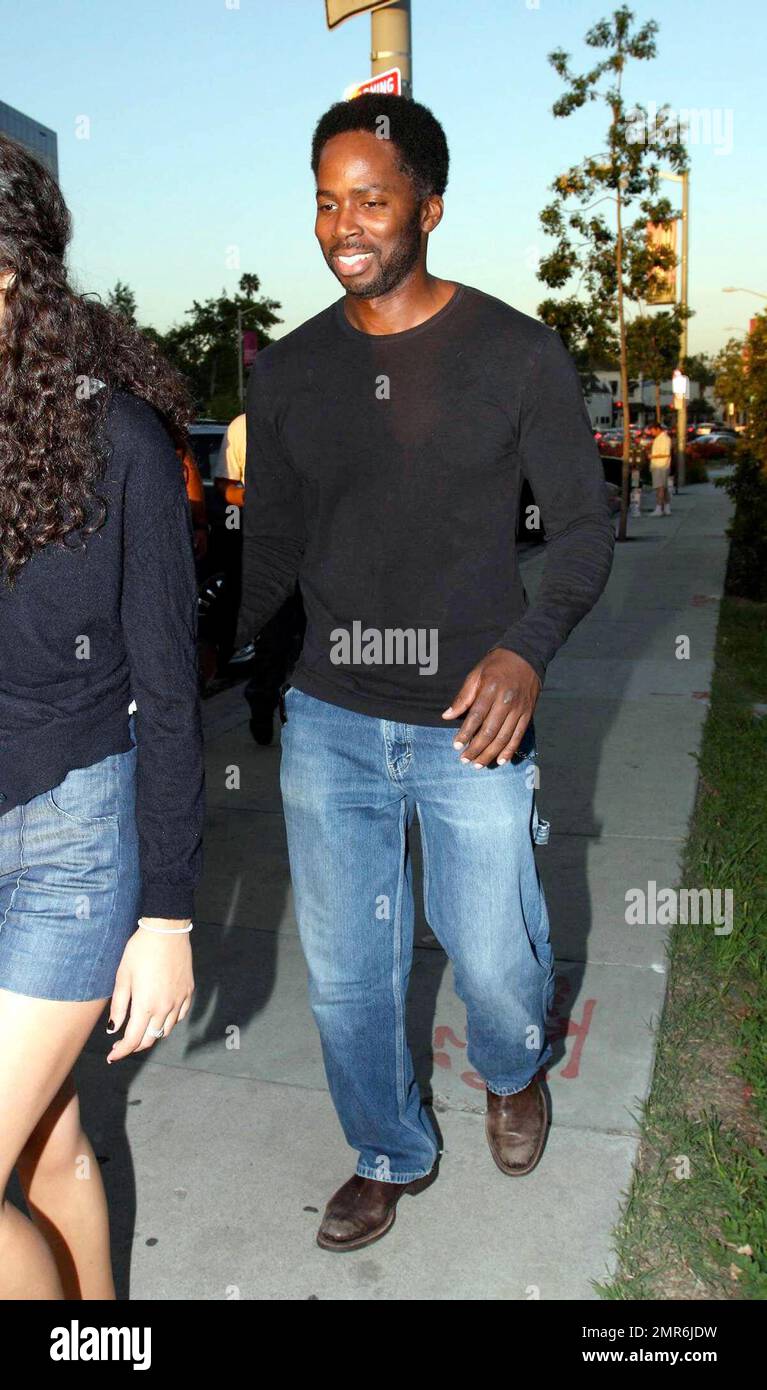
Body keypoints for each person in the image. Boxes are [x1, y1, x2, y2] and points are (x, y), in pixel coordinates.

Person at [236, 94, 614, 1253]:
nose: (341, 225)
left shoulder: (514, 353)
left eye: (369, 199)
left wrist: (524, 650)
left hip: (471, 719)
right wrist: (236, 656)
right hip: (331, 719)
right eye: (324, 201)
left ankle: (511, 1067)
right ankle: (386, 1150)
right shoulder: (288, 372)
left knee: (494, 960)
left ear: (429, 208)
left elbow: (583, 532)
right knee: (349, 976)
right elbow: (274, 550)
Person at [0, 135, 204, 1298]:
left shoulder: (114, 439)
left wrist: (166, 914)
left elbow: (170, 693)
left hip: (66, 849)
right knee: (49, 1143)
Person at [214, 414, 305, 742]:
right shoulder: (242, 426)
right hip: (265, 544)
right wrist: (254, 498)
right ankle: (264, 700)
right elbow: (225, 483)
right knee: (274, 631)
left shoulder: (315, 416)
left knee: (306, 631)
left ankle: (290, 703)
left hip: (313, 542)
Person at [650, 424, 672, 515]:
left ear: (658, 429)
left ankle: (659, 508)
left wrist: (652, 456)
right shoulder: (659, 438)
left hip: (661, 465)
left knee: (660, 487)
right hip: (659, 465)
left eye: (652, 431)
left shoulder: (664, 439)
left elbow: (666, 453)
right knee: (663, 487)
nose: (651, 433)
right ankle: (666, 507)